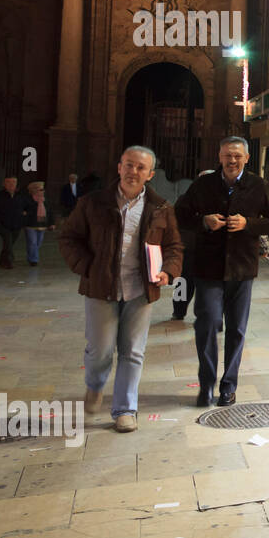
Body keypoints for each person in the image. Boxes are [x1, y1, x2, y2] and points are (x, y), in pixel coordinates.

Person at [58, 146, 183, 432]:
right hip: (101, 287)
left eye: (141, 168)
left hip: (141, 289)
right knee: (100, 350)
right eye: (129, 165)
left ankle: (125, 410)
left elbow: (174, 246)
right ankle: (95, 385)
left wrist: (168, 271)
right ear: (119, 167)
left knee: (133, 351)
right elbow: (68, 238)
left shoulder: (161, 207)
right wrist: (87, 267)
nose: (133, 172)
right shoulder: (93, 203)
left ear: (150, 175)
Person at [175, 136, 269, 407]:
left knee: (236, 329)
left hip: (242, 267)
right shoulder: (204, 184)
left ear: (247, 158)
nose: (232, 160)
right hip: (208, 267)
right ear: (219, 156)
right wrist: (204, 221)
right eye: (227, 155)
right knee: (207, 323)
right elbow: (179, 214)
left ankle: (228, 385)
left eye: (237, 155)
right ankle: (206, 383)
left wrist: (249, 223)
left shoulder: (258, 186)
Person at [173, 169, 216, 321]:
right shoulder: (184, 199)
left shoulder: (219, 201)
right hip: (188, 248)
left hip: (209, 250)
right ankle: (178, 311)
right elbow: (178, 222)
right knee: (183, 282)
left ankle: (210, 315)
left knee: (208, 285)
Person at [0, 174, 23, 269]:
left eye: (13, 182)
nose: (11, 184)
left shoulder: (20, 195)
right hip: (2, 224)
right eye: (8, 182)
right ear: (4, 184)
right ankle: (8, 262)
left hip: (16, 225)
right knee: (8, 242)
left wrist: (24, 217)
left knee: (9, 244)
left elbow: (27, 207)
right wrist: (0, 218)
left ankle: (2, 261)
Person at [17, 181, 54, 265]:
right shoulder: (27, 199)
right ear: (34, 190)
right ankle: (33, 260)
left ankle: (32, 256)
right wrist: (26, 213)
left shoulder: (45, 200)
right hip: (30, 224)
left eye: (43, 189)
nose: (42, 191)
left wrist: (52, 223)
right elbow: (23, 210)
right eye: (40, 189)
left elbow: (50, 212)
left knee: (38, 242)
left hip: (42, 224)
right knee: (32, 242)